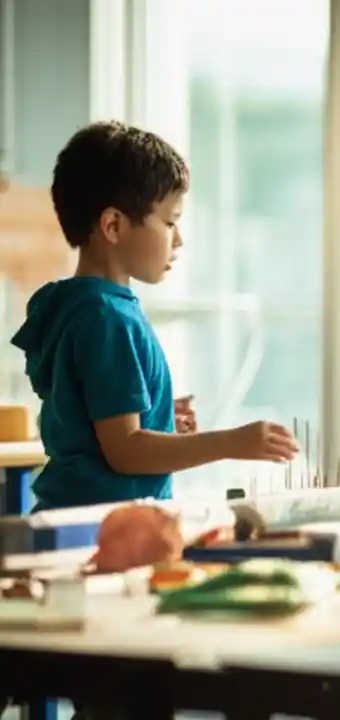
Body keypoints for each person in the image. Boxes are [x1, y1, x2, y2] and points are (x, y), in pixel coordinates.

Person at [10, 121, 299, 512]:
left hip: (75, 517)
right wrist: (231, 442)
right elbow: (126, 451)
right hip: (107, 526)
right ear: (113, 225)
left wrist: (158, 419)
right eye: (169, 222)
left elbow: (90, 424)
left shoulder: (72, 305)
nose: (178, 239)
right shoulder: (108, 317)